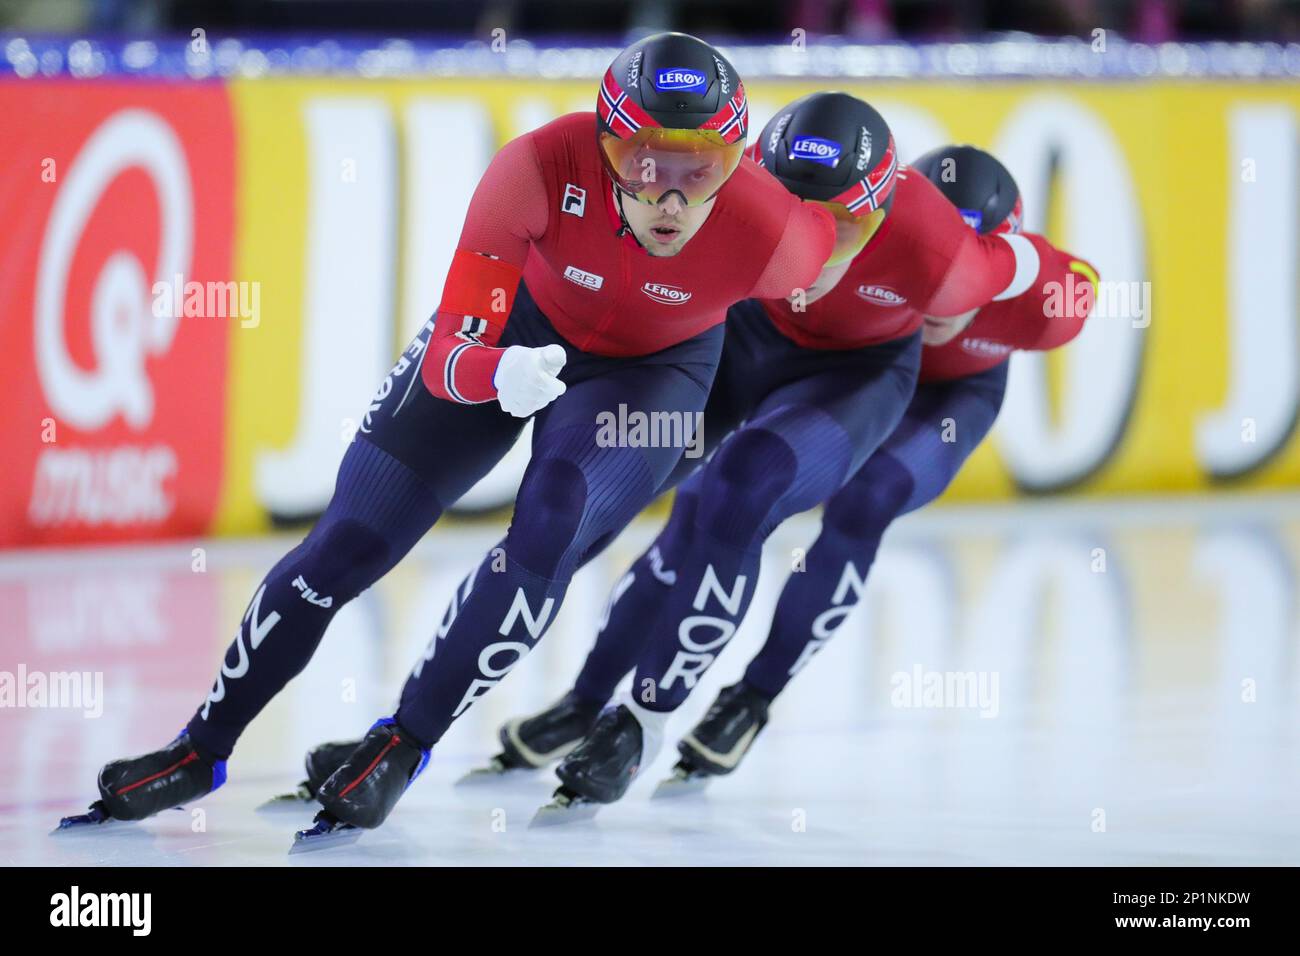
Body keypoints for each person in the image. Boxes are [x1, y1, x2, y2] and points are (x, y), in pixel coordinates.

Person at [61, 32, 837, 834]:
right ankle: (201, 747)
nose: (670, 200)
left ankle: (405, 741)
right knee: (350, 540)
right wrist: (493, 371)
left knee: (555, 515)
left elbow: (863, 241)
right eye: (644, 165)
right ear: (606, 149)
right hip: (513, 333)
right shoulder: (536, 167)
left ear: (739, 162)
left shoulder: (779, 236)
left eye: (699, 170)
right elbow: (448, 356)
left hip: (658, 376)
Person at [671, 146, 1099, 788]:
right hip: (854, 380)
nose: (937, 296)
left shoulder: (1038, 303)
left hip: (951, 400)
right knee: (713, 493)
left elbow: (1080, 284)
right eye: (932, 272)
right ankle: (608, 692)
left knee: (868, 498)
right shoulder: (861, 247)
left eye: (962, 277)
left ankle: (754, 696)